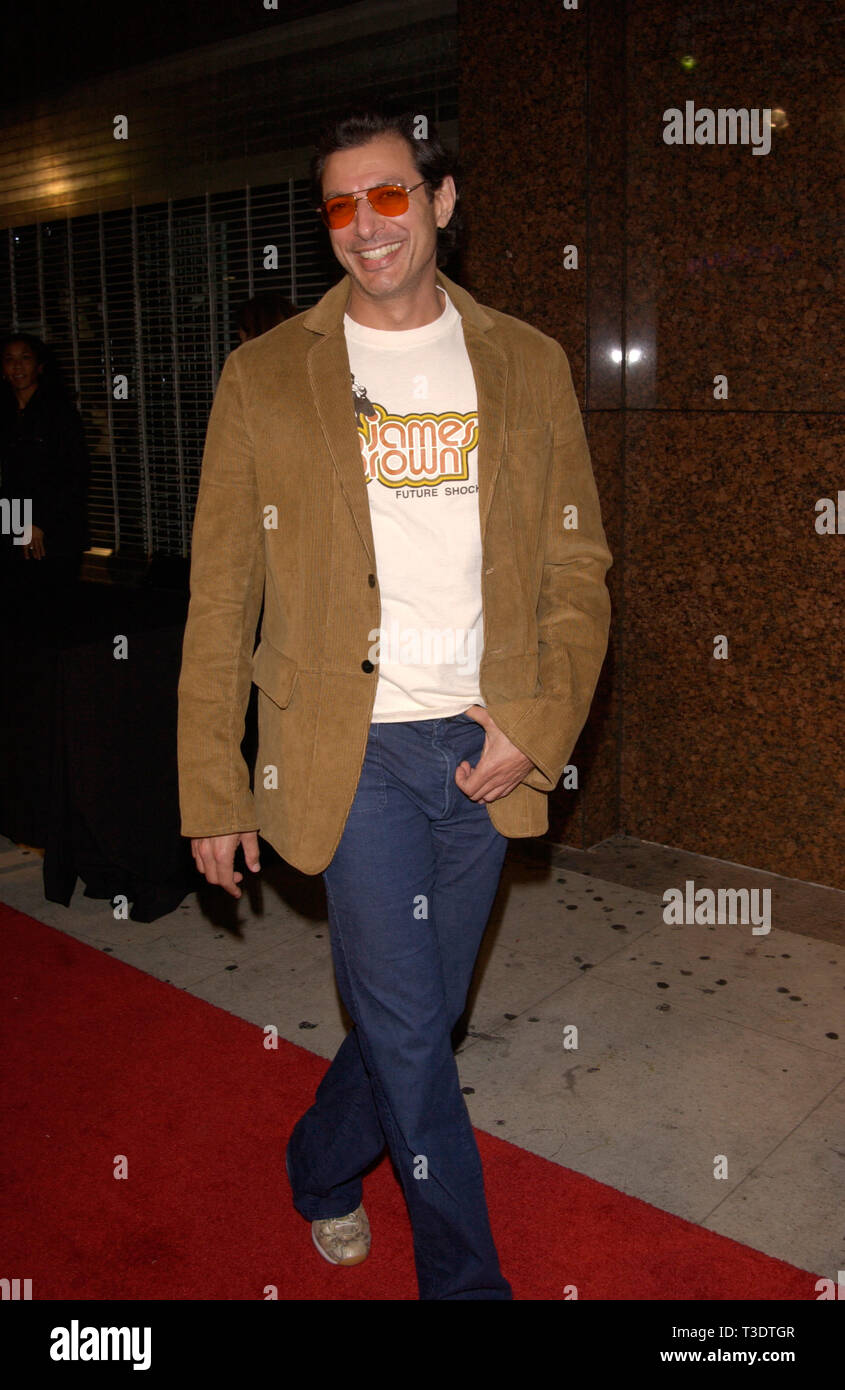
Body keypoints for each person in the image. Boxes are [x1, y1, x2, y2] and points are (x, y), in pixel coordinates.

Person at [177, 108, 612, 1301]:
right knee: (416, 1037)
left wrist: (539, 722)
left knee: (412, 1021)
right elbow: (222, 598)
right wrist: (213, 783)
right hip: (348, 750)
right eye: (338, 206)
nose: (363, 225)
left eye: (387, 196)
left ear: (440, 201)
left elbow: (579, 570)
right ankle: (465, 1287)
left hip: (486, 744)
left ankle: (321, 1162)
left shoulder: (524, 362)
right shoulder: (266, 377)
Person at [0, 332, 89, 625]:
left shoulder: (59, 412)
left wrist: (39, 521)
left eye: (24, 358)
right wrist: (18, 524)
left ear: (39, 365)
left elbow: (73, 474)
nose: (17, 367)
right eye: (9, 360)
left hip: (55, 522)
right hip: (14, 516)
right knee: (18, 605)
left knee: (53, 610)